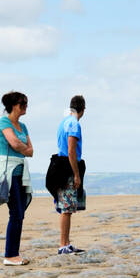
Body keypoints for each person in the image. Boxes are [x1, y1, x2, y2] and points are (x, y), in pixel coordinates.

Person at [0, 91, 33, 266]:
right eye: (22, 103)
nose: (25, 106)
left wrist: (22, 147)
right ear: (13, 105)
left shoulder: (23, 127)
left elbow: (31, 151)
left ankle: (13, 253)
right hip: (8, 172)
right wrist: (22, 147)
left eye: (26, 103)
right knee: (15, 213)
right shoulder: (4, 121)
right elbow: (15, 143)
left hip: (21, 171)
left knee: (20, 213)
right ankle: (10, 255)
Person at [49, 95, 86, 255]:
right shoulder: (74, 124)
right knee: (66, 208)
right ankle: (63, 244)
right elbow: (71, 150)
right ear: (82, 109)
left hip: (61, 165)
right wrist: (76, 174)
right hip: (67, 167)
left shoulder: (64, 122)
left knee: (68, 207)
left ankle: (67, 243)